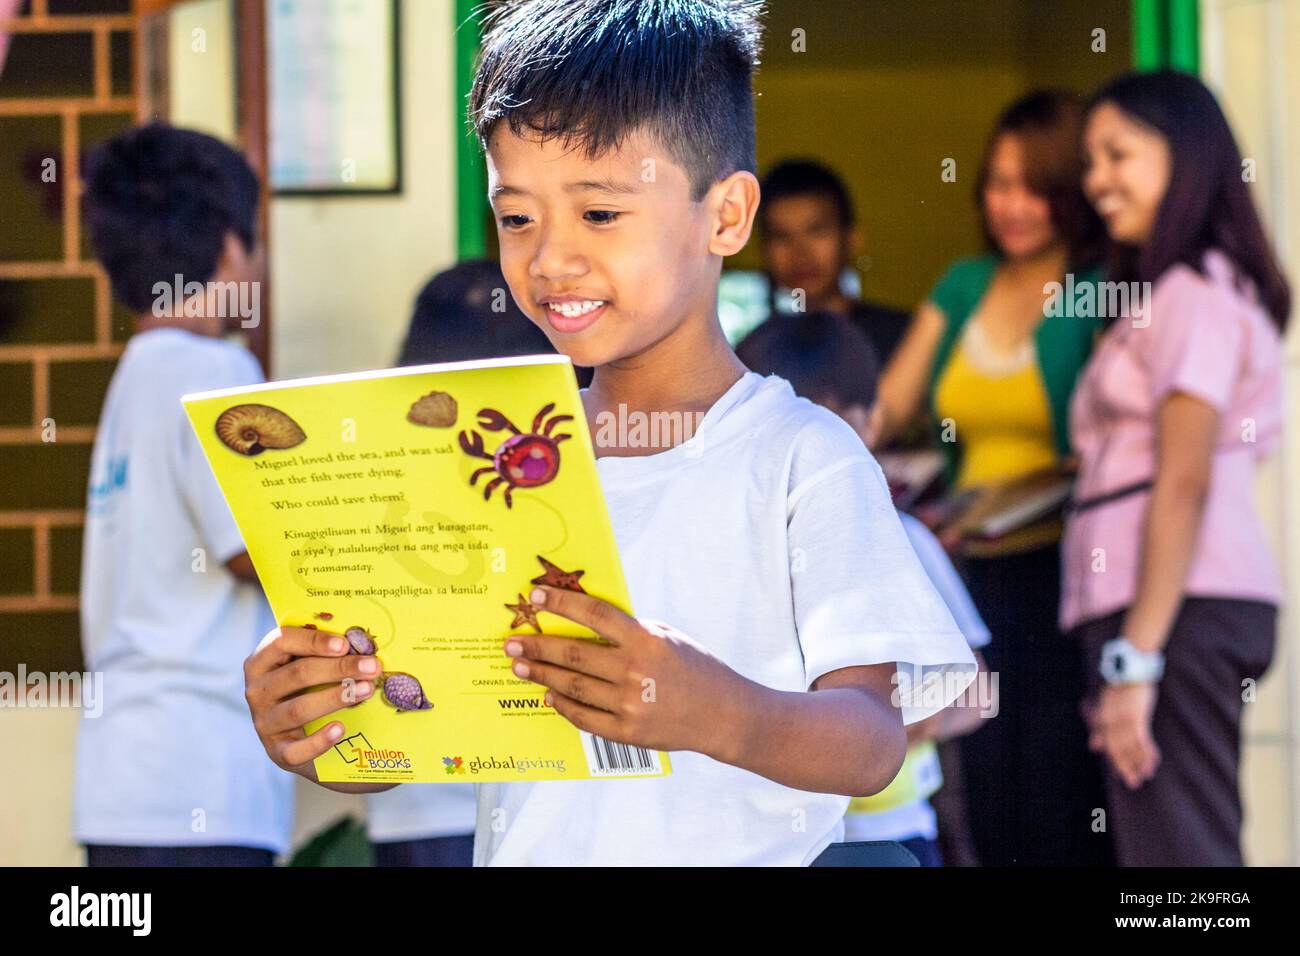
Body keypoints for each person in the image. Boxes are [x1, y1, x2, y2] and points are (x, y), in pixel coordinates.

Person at [241, 0, 978, 867]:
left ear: (727, 216)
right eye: (518, 217)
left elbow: (870, 742)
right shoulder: (484, 464)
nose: (550, 259)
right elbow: (414, 741)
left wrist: (709, 709)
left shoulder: (801, 459)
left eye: (598, 214)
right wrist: (321, 718)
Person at [873, 89, 1112, 867]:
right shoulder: (965, 283)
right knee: (984, 777)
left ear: (1071, 192)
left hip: (1063, 570)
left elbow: (1117, 434)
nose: (1012, 204)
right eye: (997, 183)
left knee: (1058, 776)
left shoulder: (1099, 286)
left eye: (1034, 186)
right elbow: (885, 411)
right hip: (969, 566)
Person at [1068, 70, 1290, 866]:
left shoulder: (1192, 296)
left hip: (1174, 612)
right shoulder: (1172, 294)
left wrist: (1138, 659)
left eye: (1117, 154)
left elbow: (1184, 480)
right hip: (1168, 609)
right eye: (1090, 159)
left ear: (1187, 160)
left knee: (1182, 866)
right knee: (1169, 851)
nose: (1096, 180)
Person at [74, 124, 294, 865]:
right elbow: (254, 551)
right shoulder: (215, 372)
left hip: (121, 783)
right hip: (202, 782)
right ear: (232, 248)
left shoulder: (135, 374)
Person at [738, 312, 994, 867]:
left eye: (825, 429)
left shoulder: (903, 539)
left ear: (872, 423)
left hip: (892, 831)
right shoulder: (739, 553)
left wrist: (909, 722)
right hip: (779, 839)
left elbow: (981, 691)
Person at [758, 159, 911, 365]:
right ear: (764, 249)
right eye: (782, 236)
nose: (800, 253)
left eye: (816, 231)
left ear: (852, 239)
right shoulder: (758, 354)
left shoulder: (905, 340)